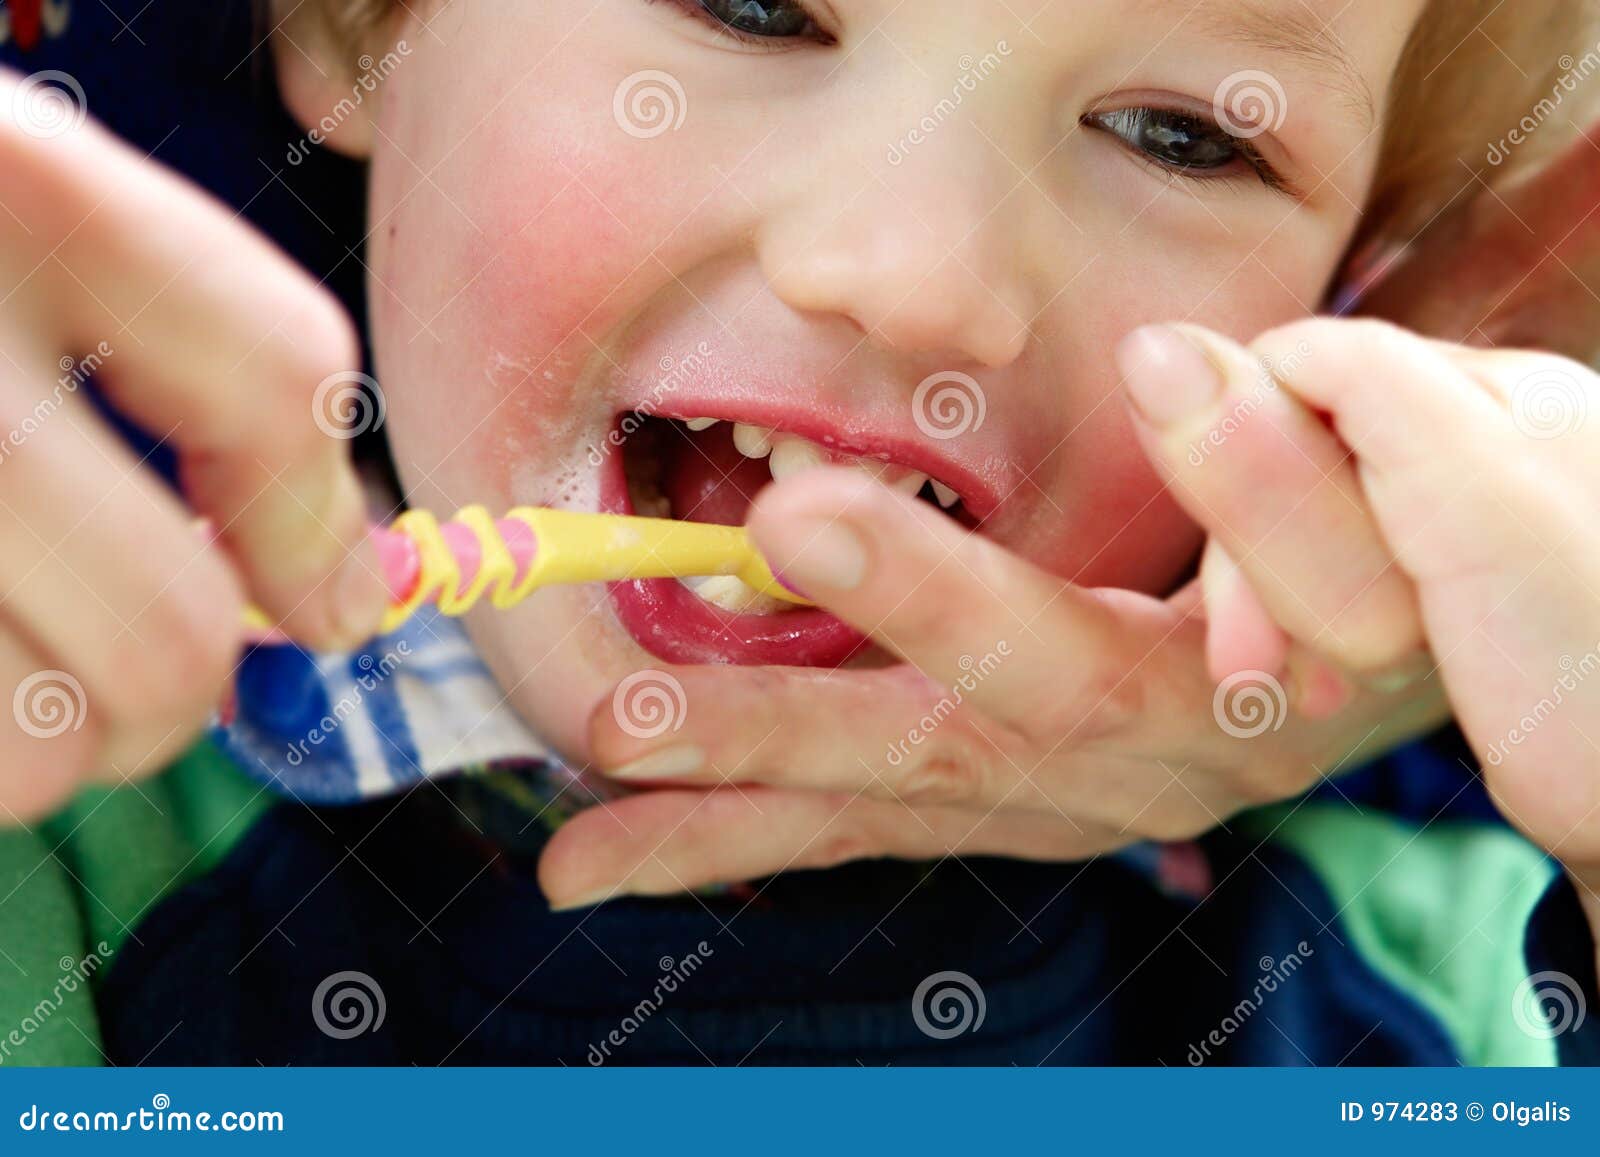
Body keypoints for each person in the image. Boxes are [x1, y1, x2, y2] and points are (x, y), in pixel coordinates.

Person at [0, 0, 1597, 1065]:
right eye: (754, 3)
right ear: (366, 25)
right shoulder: (51, 851)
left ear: (1347, 322)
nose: (913, 276)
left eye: (1182, 135)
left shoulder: (1464, 996)